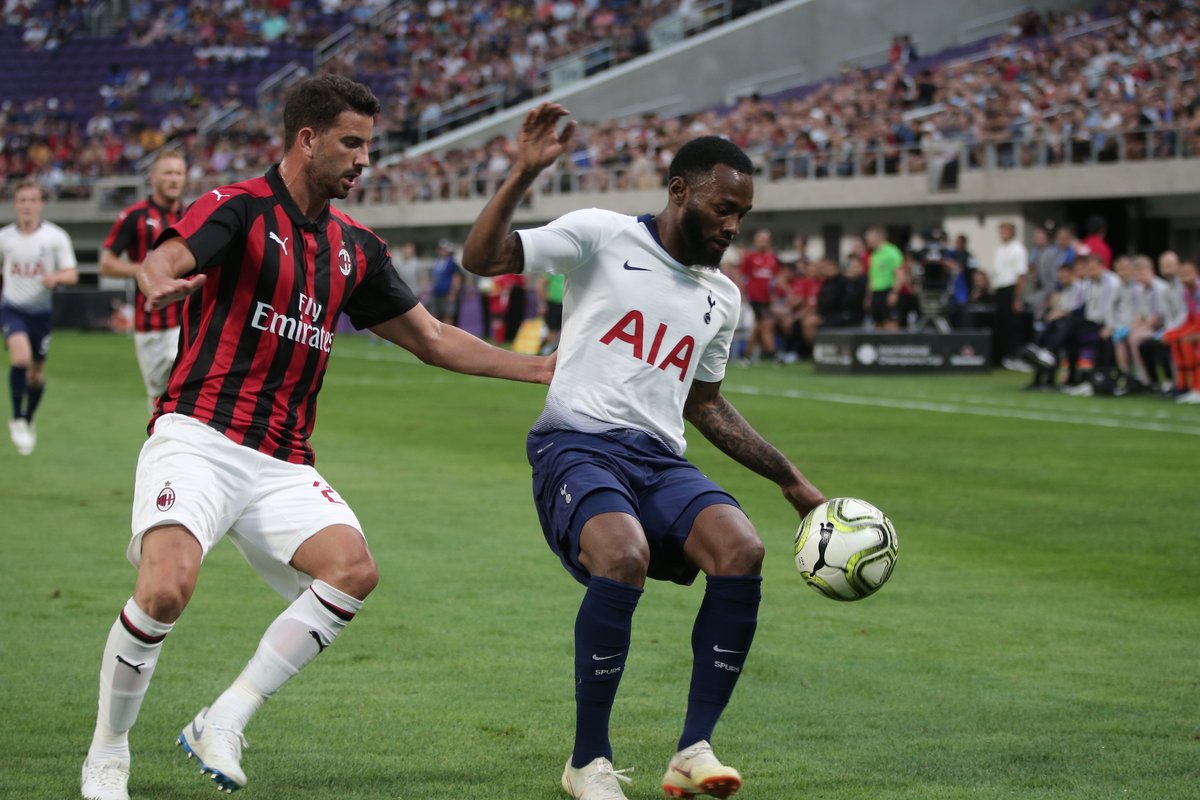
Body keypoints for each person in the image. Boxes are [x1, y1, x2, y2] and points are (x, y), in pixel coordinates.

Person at [79, 75, 554, 800]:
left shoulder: (354, 248)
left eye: (370, 143)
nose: (366, 159)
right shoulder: (237, 207)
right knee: (167, 589)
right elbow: (170, 257)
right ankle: (109, 750)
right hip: (199, 435)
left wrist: (540, 368)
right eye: (352, 142)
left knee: (352, 568)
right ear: (307, 139)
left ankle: (225, 717)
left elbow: (431, 338)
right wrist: (155, 276)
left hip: (282, 462)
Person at [460, 103, 825, 800]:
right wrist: (521, 176)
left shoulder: (721, 296)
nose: (732, 226)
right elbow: (482, 259)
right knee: (621, 555)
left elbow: (705, 404)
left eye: (742, 215)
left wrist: (790, 479)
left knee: (742, 548)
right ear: (680, 191)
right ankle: (587, 763)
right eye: (723, 208)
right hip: (575, 443)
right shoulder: (600, 235)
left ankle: (693, 750)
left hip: (658, 458)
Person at [100, 149, 189, 413]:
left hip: (187, 320)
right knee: (160, 400)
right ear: (153, 177)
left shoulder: (193, 216)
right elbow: (107, 264)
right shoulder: (135, 216)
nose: (174, 179)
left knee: (186, 388)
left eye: (179, 173)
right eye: (168, 172)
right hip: (151, 325)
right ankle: (160, 444)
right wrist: (148, 270)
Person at [0, 179, 79, 455]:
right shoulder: (5, 238)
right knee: (20, 359)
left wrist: (55, 277)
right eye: (22, 200)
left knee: (36, 375)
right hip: (12, 309)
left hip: (41, 314)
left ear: (40, 204)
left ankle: (29, 417)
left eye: (32, 200)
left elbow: (72, 274)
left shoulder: (55, 237)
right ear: (15, 204)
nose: (27, 206)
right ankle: (17, 417)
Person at [983, 221, 1028, 370]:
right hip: (1000, 290)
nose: (1003, 234)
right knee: (1001, 324)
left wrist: (1017, 298)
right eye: (1001, 231)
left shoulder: (1018, 249)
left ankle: (1014, 356)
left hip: (1010, 289)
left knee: (1011, 325)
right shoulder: (1000, 249)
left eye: (1006, 231)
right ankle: (1002, 357)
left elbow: (1021, 275)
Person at [736, 228, 779, 363]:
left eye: (766, 240)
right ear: (755, 241)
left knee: (758, 326)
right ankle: (773, 355)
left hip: (766, 298)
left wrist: (774, 296)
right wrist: (741, 293)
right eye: (761, 239)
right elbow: (740, 276)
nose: (763, 242)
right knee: (766, 325)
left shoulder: (772, 258)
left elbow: (775, 279)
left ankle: (746, 356)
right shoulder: (749, 257)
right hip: (754, 298)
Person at [864, 226, 905, 330]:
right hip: (876, 293)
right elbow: (871, 277)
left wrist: (894, 292)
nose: (867, 240)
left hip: (888, 292)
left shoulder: (892, 251)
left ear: (878, 237)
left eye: (869, 237)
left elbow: (900, 274)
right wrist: (869, 297)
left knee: (890, 324)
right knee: (878, 324)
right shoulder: (873, 255)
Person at [428, 238, 462, 325]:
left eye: (444, 249)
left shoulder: (452, 263)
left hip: (447, 294)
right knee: (435, 315)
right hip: (436, 293)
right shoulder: (436, 262)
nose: (442, 251)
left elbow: (457, 279)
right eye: (440, 249)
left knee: (448, 315)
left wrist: (453, 293)